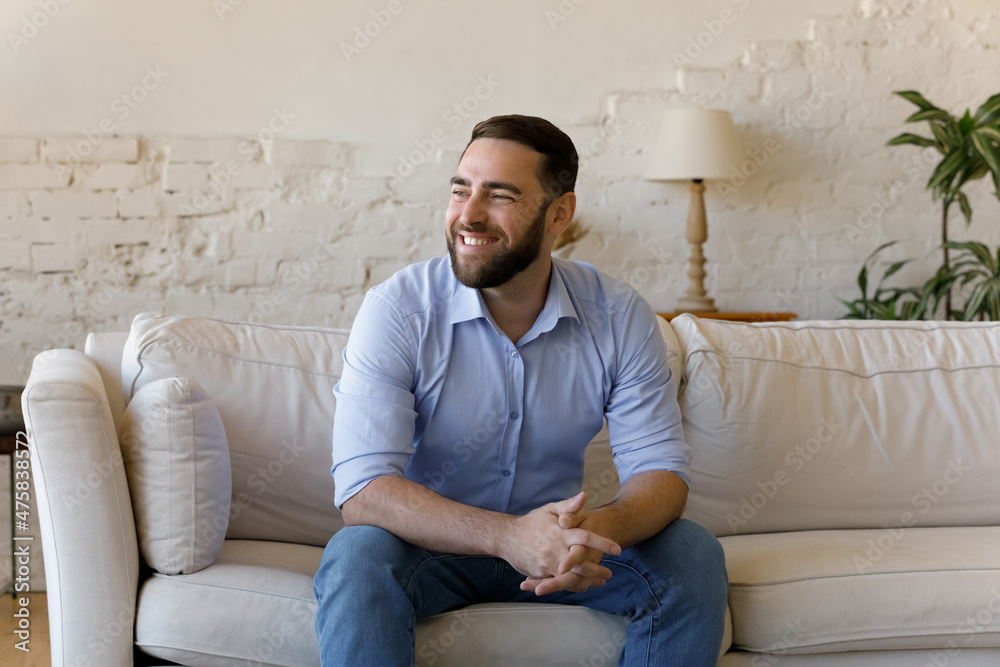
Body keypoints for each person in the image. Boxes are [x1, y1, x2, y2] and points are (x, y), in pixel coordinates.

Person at [313, 114, 728, 666]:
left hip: (564, 552)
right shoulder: (398, 310)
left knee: (691, 552)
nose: (468, 214)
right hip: (429, 551)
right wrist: (509, 537)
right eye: (461, 189)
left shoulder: (619, 315)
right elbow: (364, 489)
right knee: (357, 555)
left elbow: (661, 477)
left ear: (560, 213)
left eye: (499, 195)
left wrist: (586, 534)